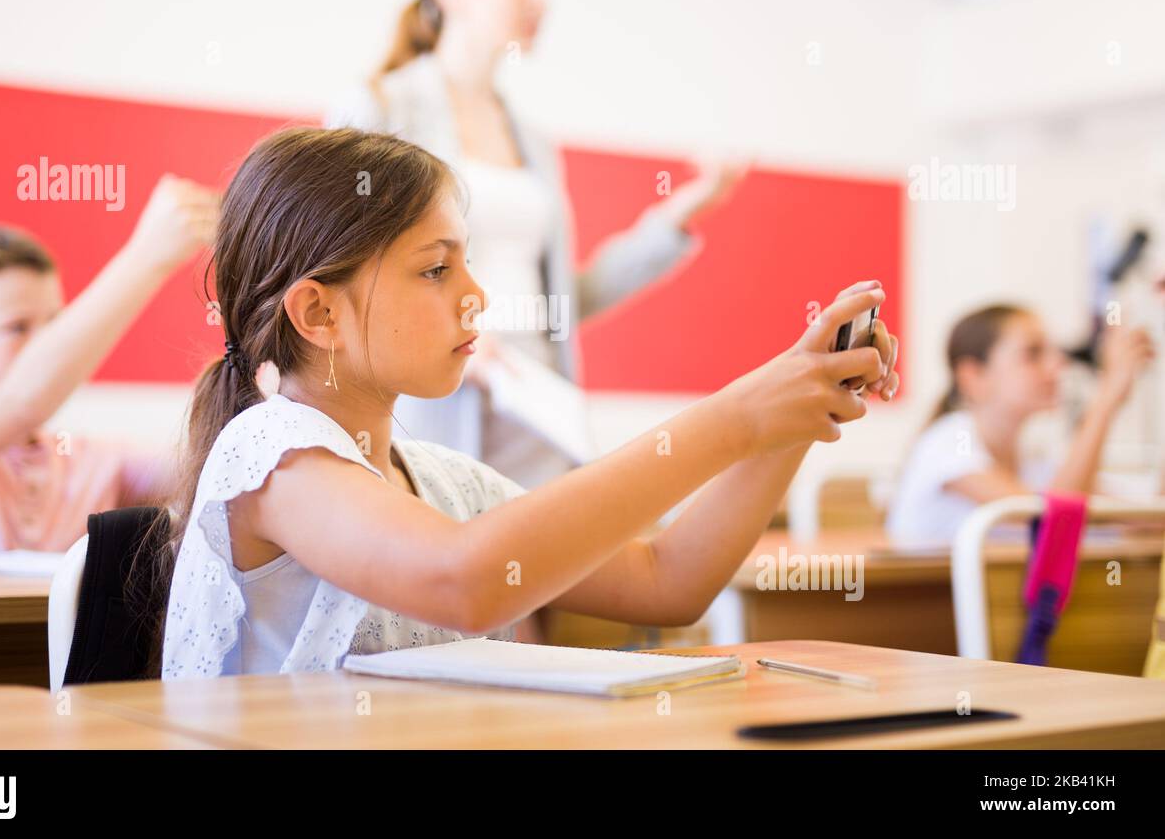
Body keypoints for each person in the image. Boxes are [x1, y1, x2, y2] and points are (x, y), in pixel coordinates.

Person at [157, 127, 897, 679]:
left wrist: (797, 411)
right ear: (318, 315)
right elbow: (464, 582)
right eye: (436, 269)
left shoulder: (448, 483)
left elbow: (672, 577)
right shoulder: (270, 459)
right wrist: (735, 417)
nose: (475, 294)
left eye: (467, 262)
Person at [325, 0, 744, 488]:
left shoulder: (536, 143)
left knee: (549, 572)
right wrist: (448, 333)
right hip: (437, 408)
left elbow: (565, 302)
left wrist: (678, 214)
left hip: (538, 406)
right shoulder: (381, 110)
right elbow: (343, 282)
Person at [0, 175, 217, 693]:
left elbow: (216, 464)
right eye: (18, 327)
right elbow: (22, 399)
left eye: (58, 323)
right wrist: (148, 256)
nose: (50, 344)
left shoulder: (96, 459)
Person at [885, 304, 1152, 546]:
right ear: (973, 375)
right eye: (1033, 354)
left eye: (1052, 352)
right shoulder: (948, 443)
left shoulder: (1033, 454)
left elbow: (1141, 515)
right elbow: (1053, 522)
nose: (1057, 365)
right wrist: (1107, 399)